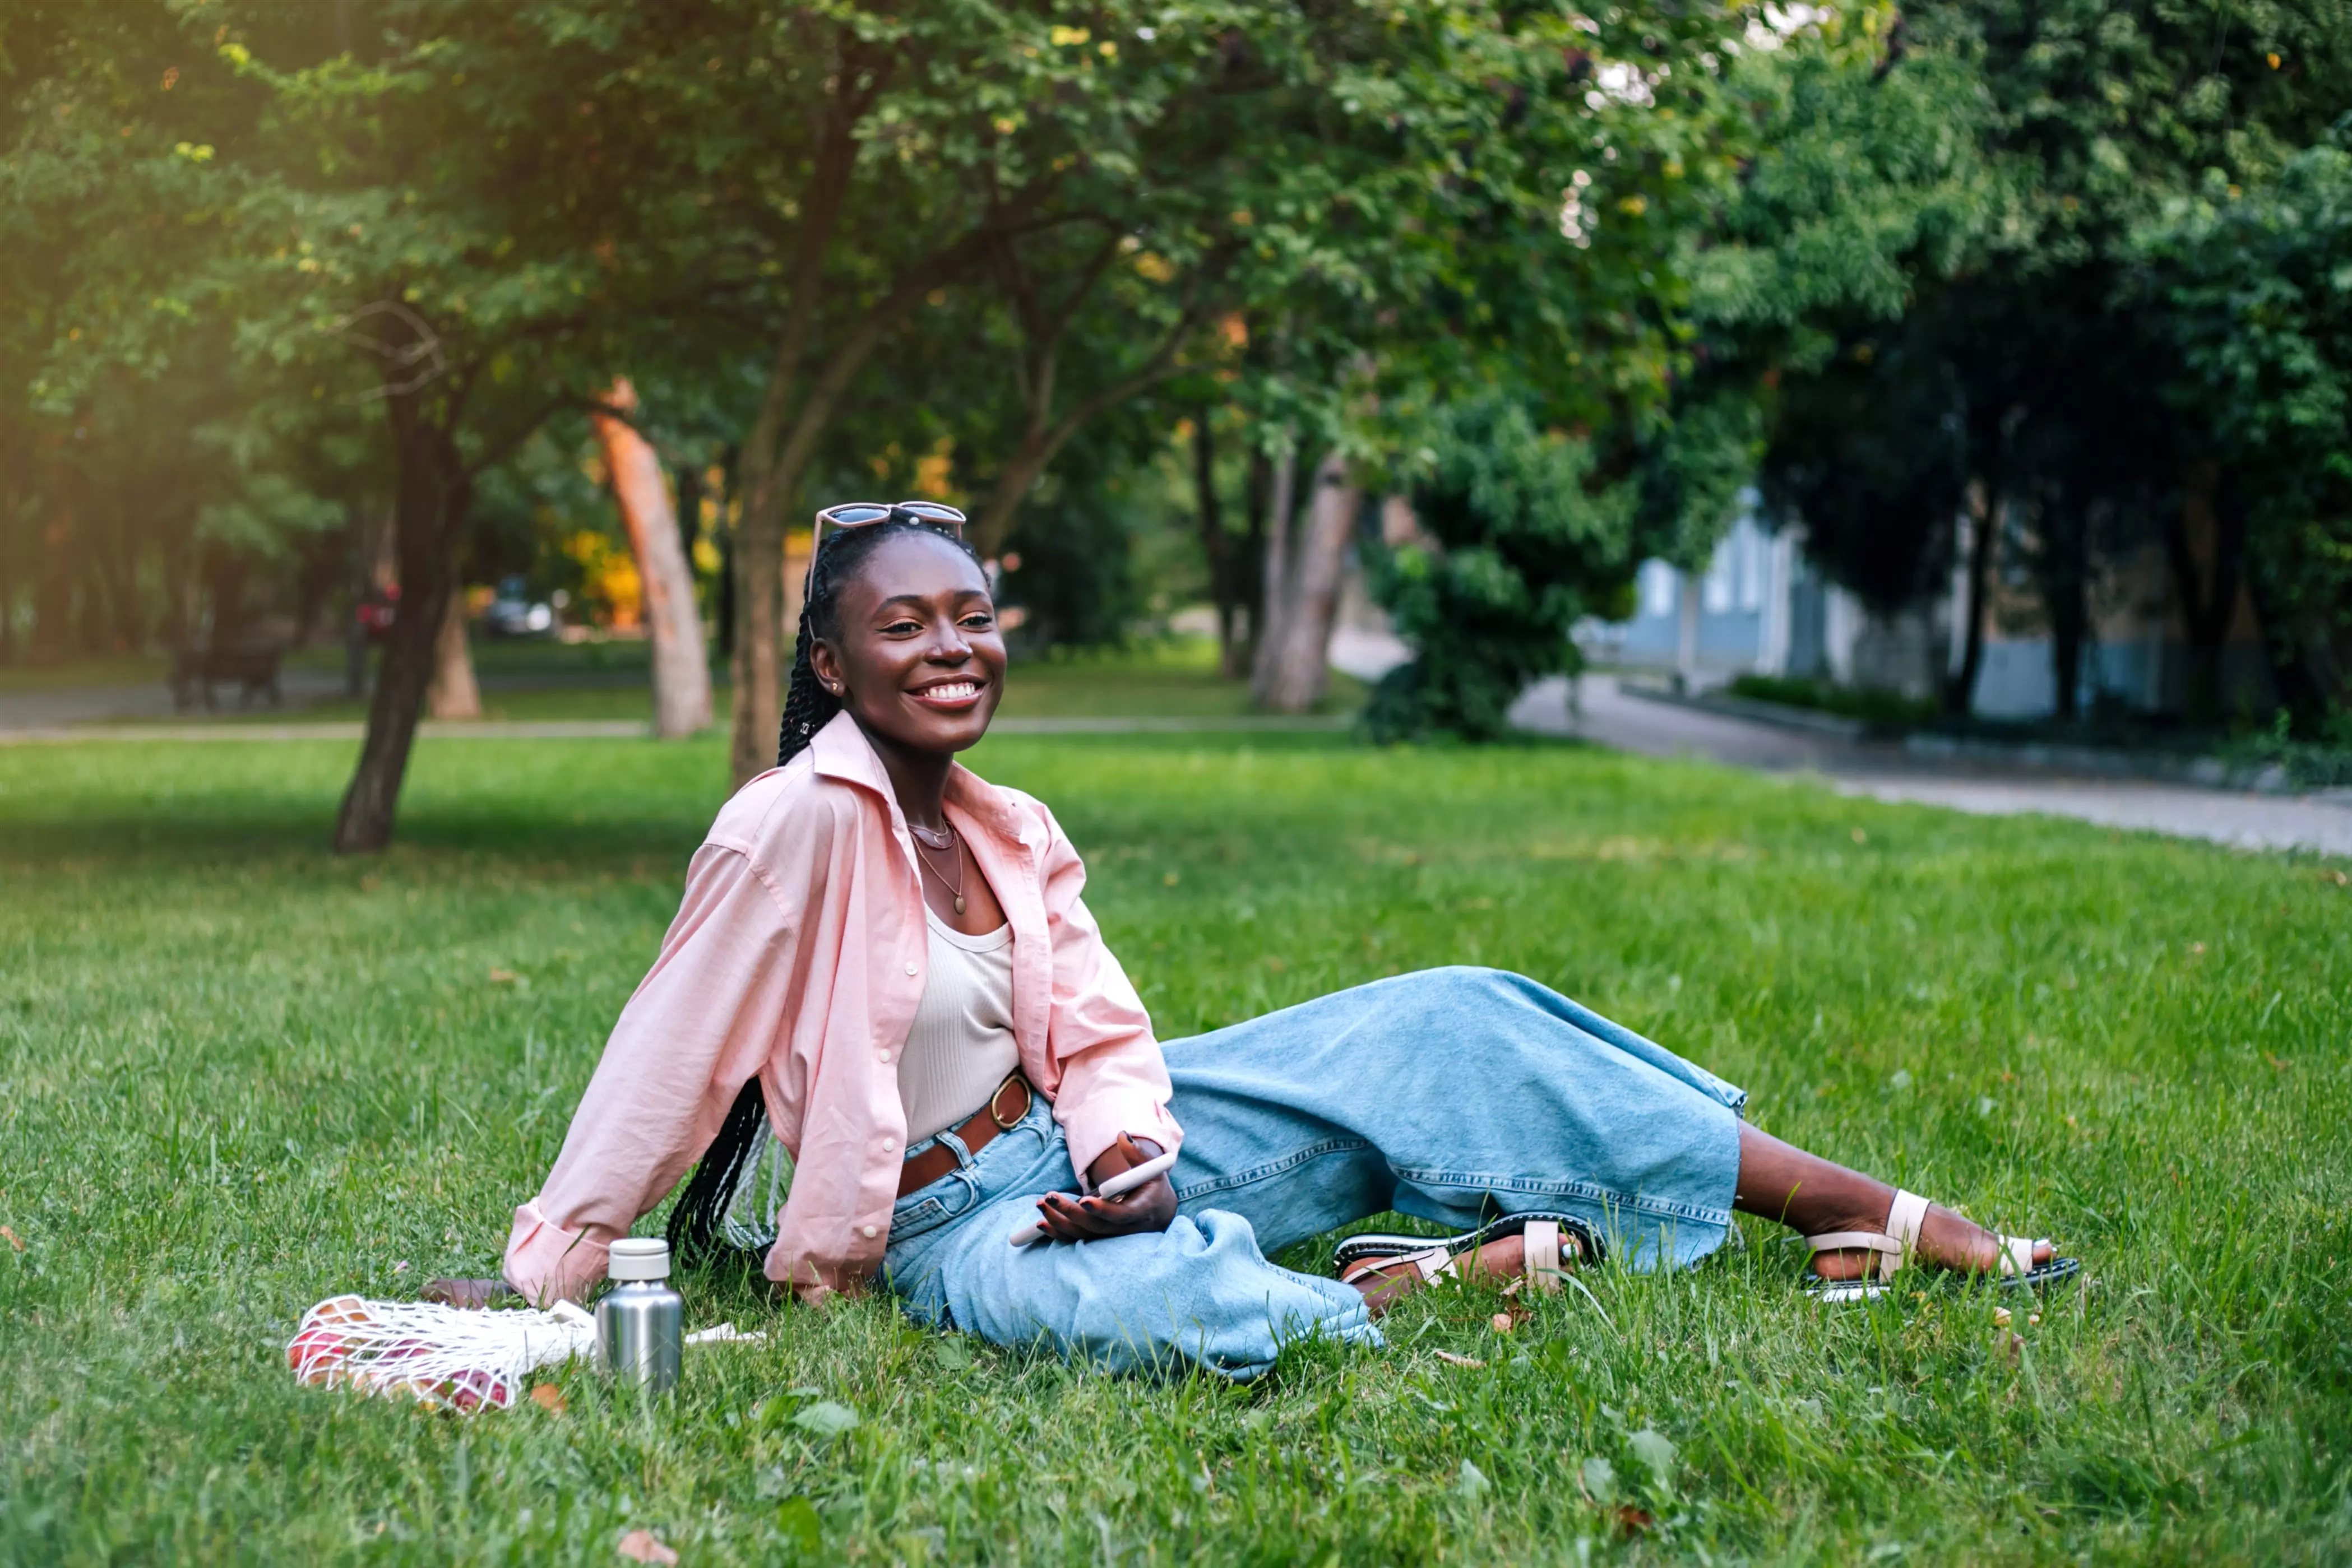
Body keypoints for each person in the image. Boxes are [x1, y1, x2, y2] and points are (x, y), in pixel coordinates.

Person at [429, 503, 2075, 1378]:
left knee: (1454, 1014)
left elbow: (1093, 1026)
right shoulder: (786, 824)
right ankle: (1409, 1284)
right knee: (1179, 1319)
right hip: (951, 1231)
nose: (951, 645)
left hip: (1097, 1154)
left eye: (971, 615)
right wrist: (547, 1274)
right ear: (836, 661)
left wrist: (1140, 1149)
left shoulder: (1009, 825)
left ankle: (1856, 1215)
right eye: (903, 623)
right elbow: (661, 1063)